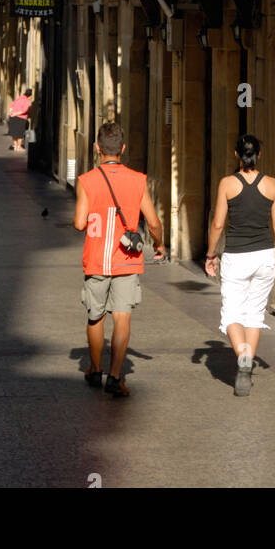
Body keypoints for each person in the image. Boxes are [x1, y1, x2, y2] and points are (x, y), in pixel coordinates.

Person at [73, 121, 165, 396]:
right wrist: (158, 244)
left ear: (97, 149)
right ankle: (115, 376)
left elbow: (79, 223)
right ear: (122, 149)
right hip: (127, 258)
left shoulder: (86, 181)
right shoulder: (138, 180)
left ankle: (95, 368)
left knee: (95, 315)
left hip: (96, 258)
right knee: (122, 317)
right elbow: (153, 222)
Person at [205, 133, 275, 397]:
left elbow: (218, 223)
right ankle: (247, 364)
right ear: (259, 154)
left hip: (236, 256)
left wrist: (210, 255)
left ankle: (242, 354)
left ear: (236, 155)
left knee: (232, 314)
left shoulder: (228, 184)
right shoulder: (273, 185)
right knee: (255, 313)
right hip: (265, 255)